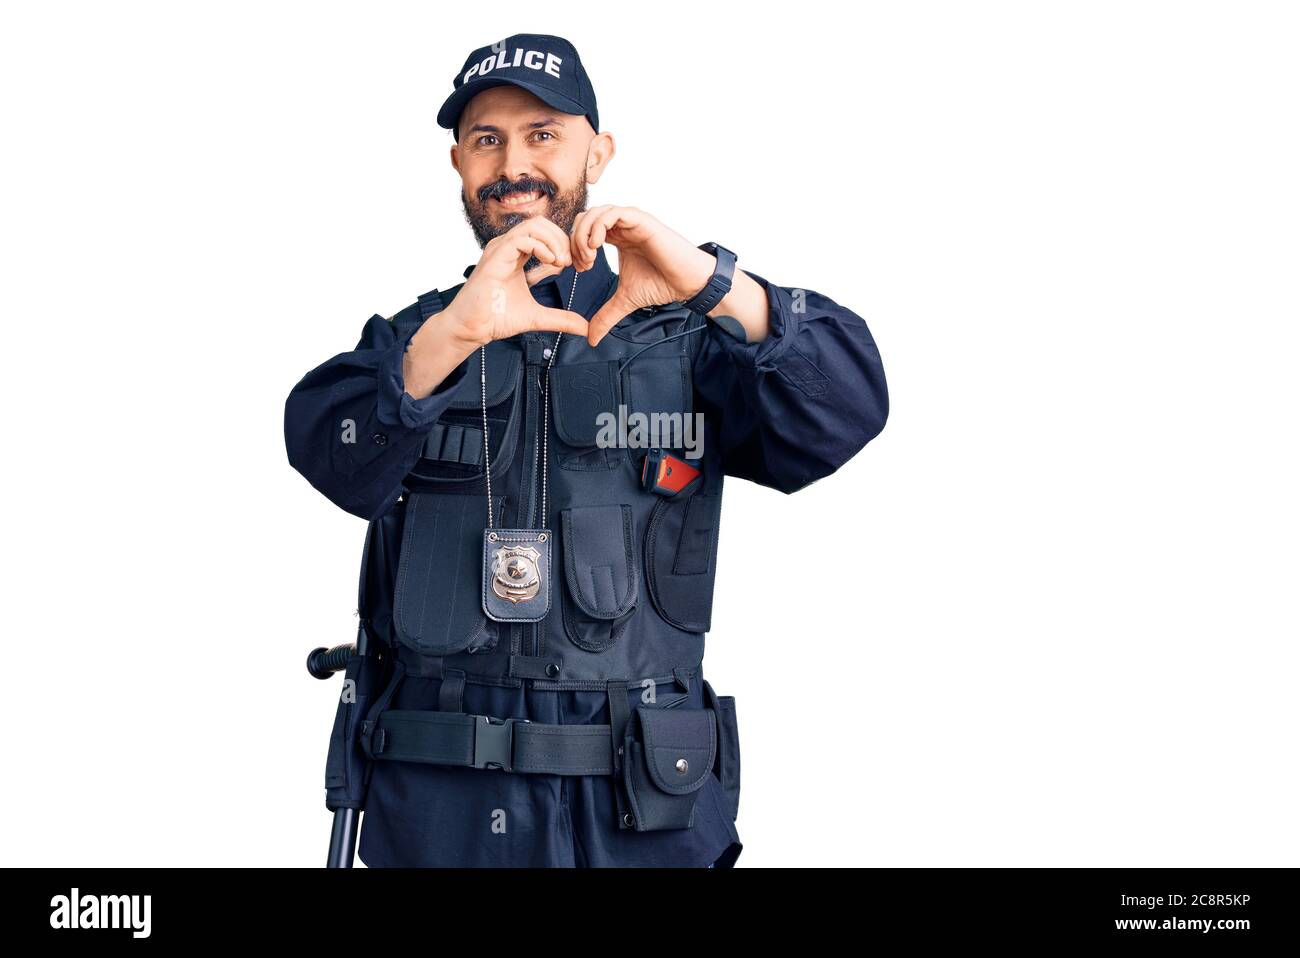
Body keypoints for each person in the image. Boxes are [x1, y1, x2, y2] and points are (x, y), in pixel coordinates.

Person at [284, 33, 889, 867]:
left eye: (543, 135)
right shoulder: (416, 340)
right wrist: (452, 335)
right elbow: (330, 452)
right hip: (441, 808)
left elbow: (845, 409)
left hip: (641, 807)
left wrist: (712, 285)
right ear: (458, 163)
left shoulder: (689, 337)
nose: (513, 163)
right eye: (487, 140)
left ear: (597, 154)